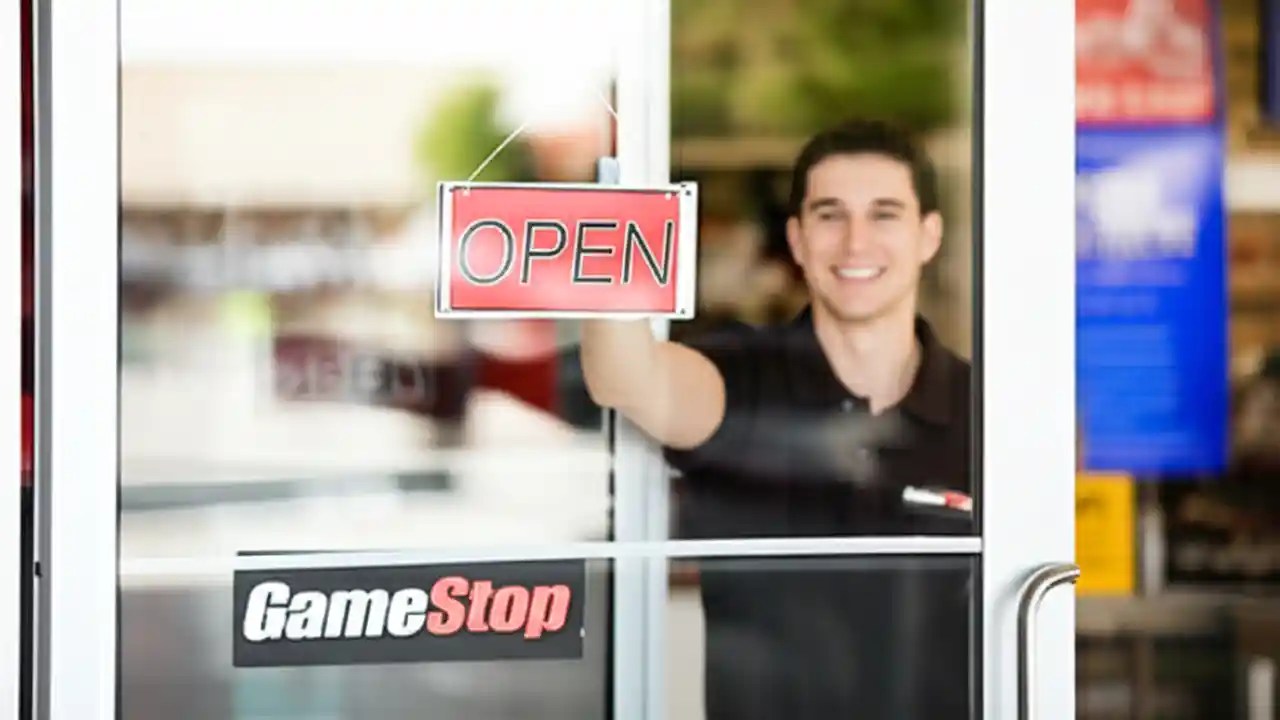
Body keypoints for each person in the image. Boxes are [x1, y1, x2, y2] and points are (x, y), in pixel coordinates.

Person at [581, 118, 974, 719]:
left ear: (929, 236)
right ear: (796, 239)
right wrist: (607, 217)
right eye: (830, 214)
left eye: (885, 214)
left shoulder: (985, 409)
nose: (856, 243)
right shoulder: (742, 376)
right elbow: (625, 376)